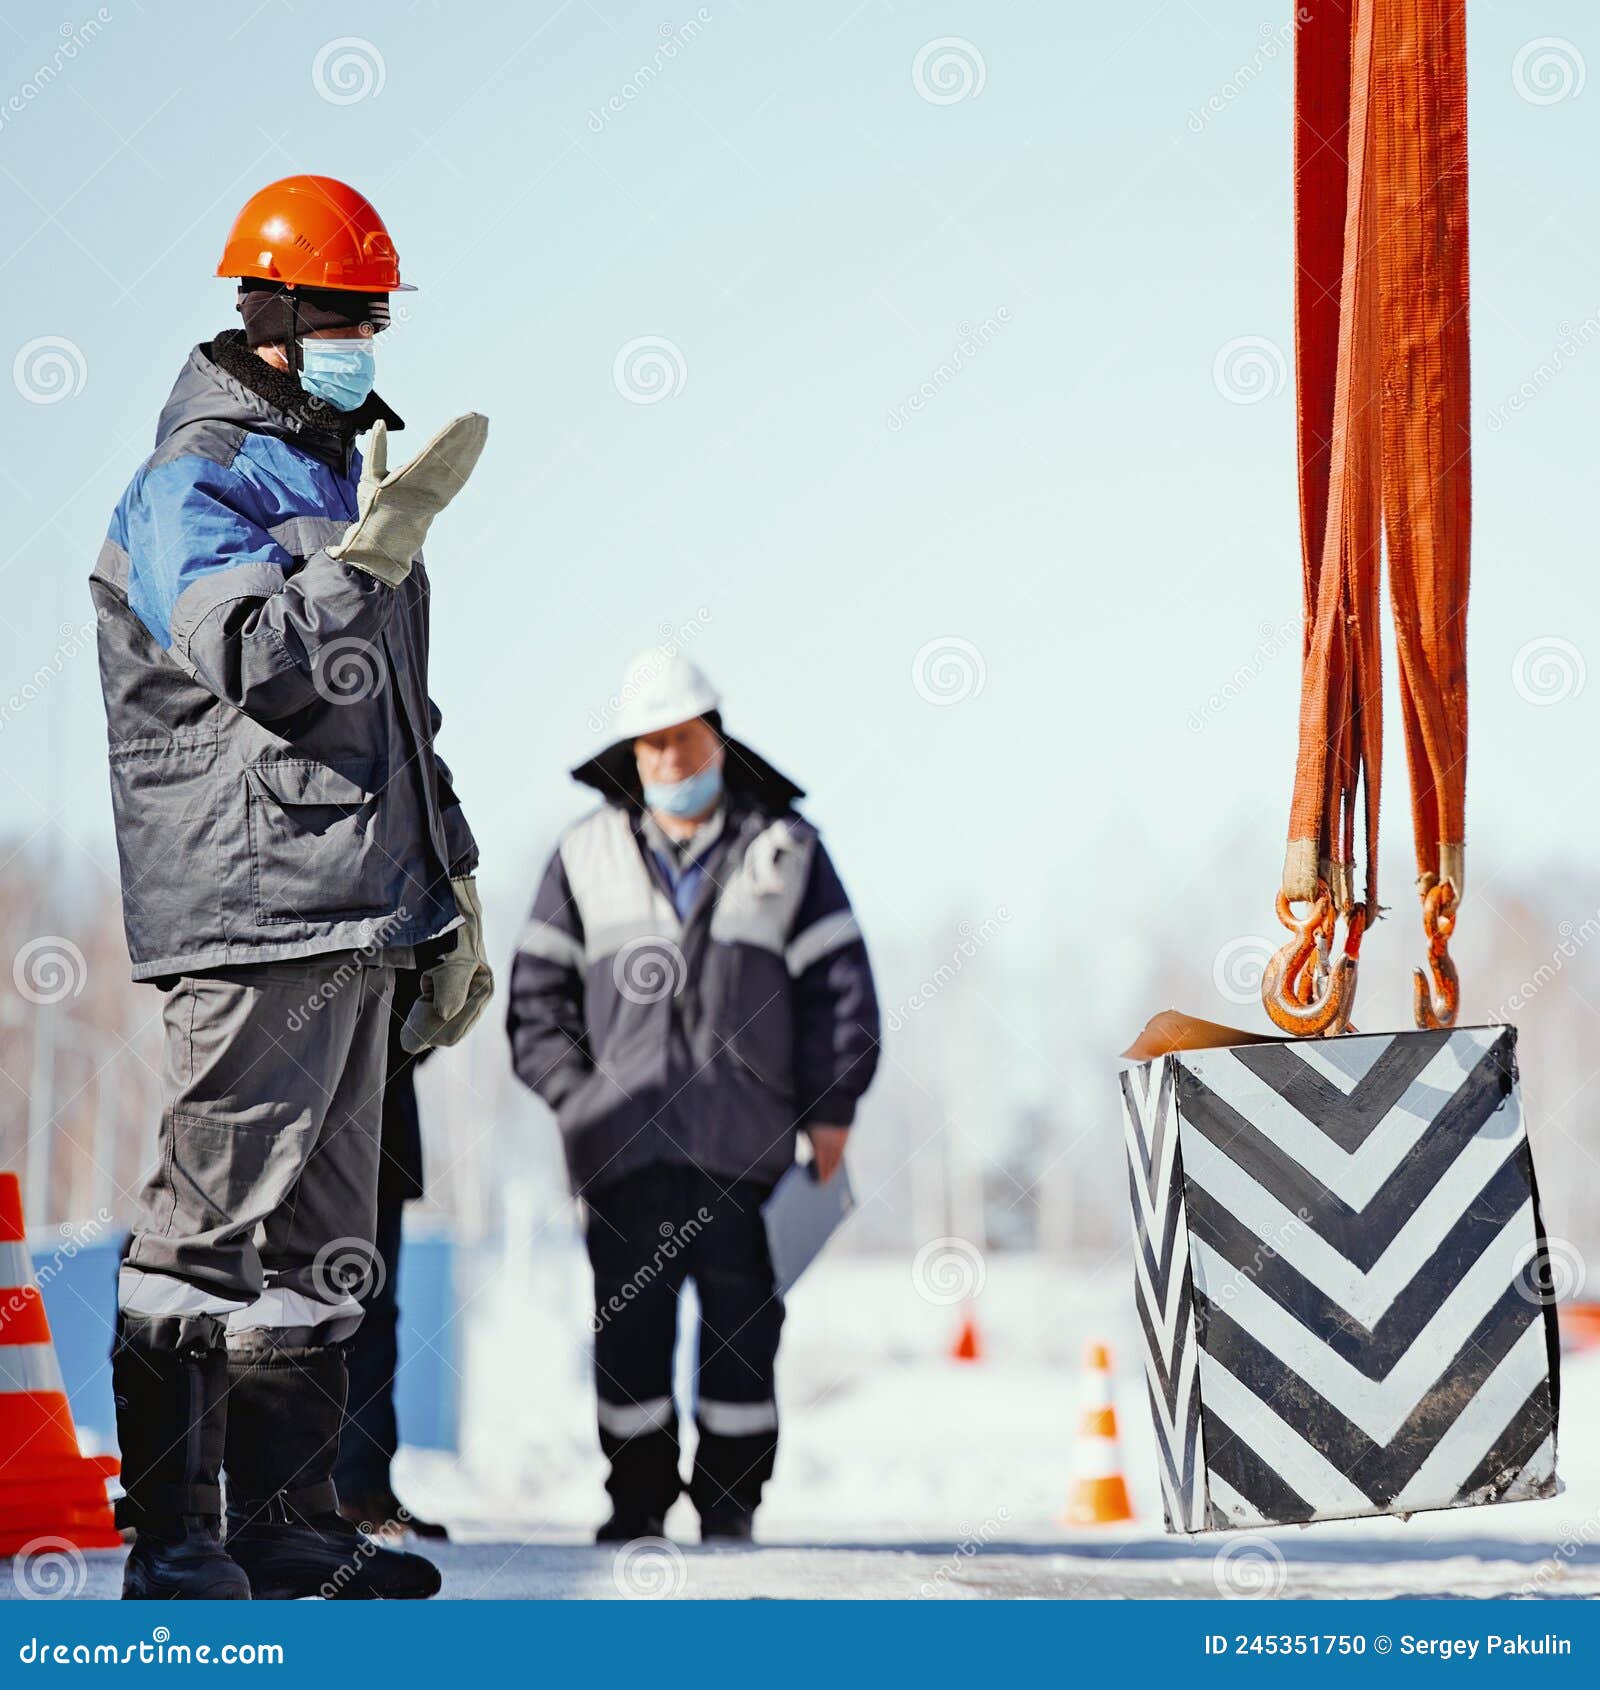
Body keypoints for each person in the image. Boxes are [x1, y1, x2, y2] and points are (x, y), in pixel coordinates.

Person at [90, 175, 492, 1600]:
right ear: (267, 314)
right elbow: (259, 658)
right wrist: (364, 566)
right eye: (348, 308)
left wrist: (452, 885)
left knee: (320, 1246)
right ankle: (176, 1539)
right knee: (206, 1222)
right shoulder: (190, 484)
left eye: (377, 309)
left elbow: (394, 718)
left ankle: (287, 1527)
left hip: (361, 910)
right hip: (251, 908)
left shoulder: (335, 478)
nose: (370, 331)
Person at [507, 649, 880, 1543]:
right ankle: (634, 1504)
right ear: (630, 757)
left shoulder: (786, 851)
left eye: (683, 738)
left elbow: (842, 991)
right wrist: (579, 1098)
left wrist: (832, 1111)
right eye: (651, 745)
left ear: (717, 738)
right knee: (629, 1337)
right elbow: (534, 1002)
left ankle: (730, 1504)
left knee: (743, 1334)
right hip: (621, 1151)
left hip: (744, 1146)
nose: (669, 759)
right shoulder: (582, 854)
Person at [334, 972, 448, 1540]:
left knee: (373, 1318)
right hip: (300, 1130)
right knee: (290, 1311)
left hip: (381, 1134)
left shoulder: (405, 890)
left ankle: (362, 1487)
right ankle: (289, 1493)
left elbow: (425, 1022)